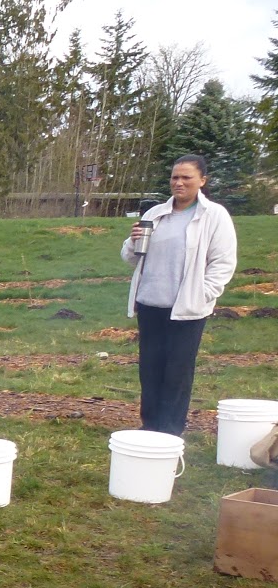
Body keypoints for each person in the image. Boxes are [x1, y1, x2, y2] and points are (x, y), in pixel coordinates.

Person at [123, 154, 238, 436]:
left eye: (187, 177)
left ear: (202, 181)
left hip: (187, 308)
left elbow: (223, 263)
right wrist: (133, 240)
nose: (179, 183)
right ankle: (150, 427)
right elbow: (132, 258)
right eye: (175, 177)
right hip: (151, 304)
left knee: (177, 373)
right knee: (150, 370)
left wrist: (203, 295)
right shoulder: (155, 214)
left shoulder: (214, 216)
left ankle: (171, 431)